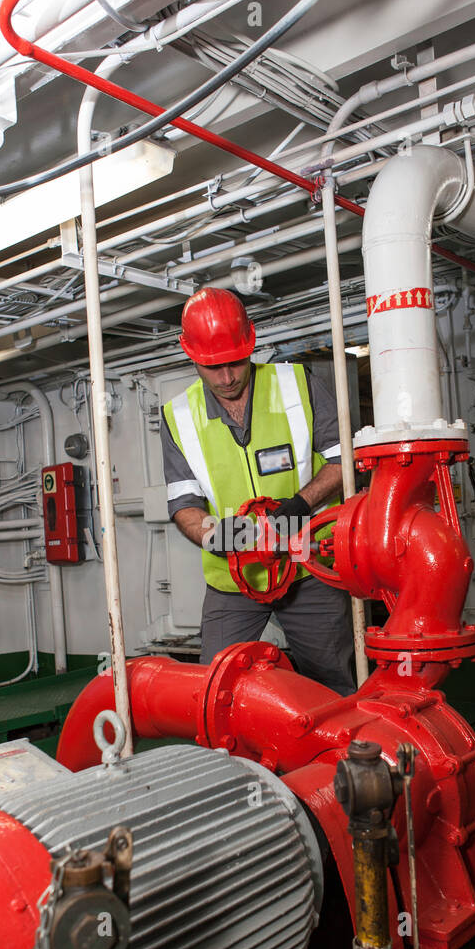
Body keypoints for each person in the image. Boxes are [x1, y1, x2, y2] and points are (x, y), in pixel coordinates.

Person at [160, 286, 356, 695]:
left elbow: (345, 462)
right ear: (192, 356)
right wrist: (216, 536)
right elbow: (184, 503)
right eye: (214, 367)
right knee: (216, 688)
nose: (227, 377)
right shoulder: (178, 416)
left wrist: (298, 506)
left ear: (250, 344)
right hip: (234, 579)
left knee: (330, 684)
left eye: (235, 362)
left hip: (309, 569)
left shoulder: (298, 385)